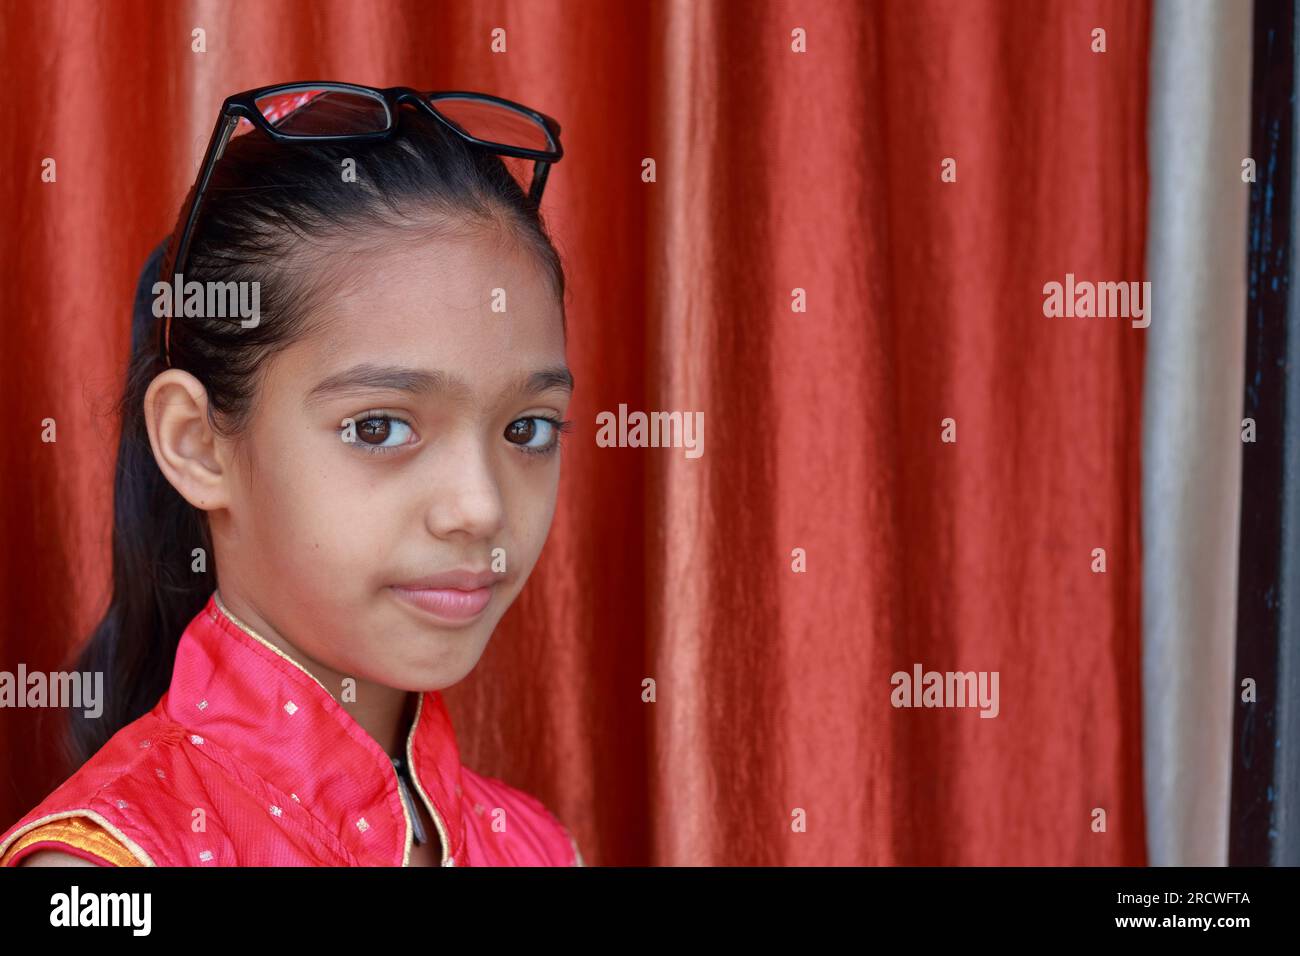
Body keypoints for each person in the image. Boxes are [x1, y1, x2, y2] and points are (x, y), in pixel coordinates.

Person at [0, 85, 582, 866]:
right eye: (380, 427)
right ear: (198, 444)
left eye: (527, 429)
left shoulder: (537, 848)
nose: (479, 508)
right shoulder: (99, 871)